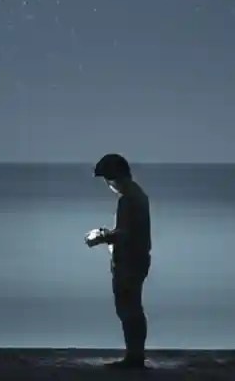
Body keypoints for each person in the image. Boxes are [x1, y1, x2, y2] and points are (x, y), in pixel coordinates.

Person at [84, 153, 152, 370]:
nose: (108, 185)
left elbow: (125, 233)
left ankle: (134, 357)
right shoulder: (137, 196)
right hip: (135, 259)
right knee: (131, 307)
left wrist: (101, 236)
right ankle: (134, 354)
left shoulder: (128, 199)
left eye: (108, 179)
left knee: (129, 308)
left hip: (130, 262)